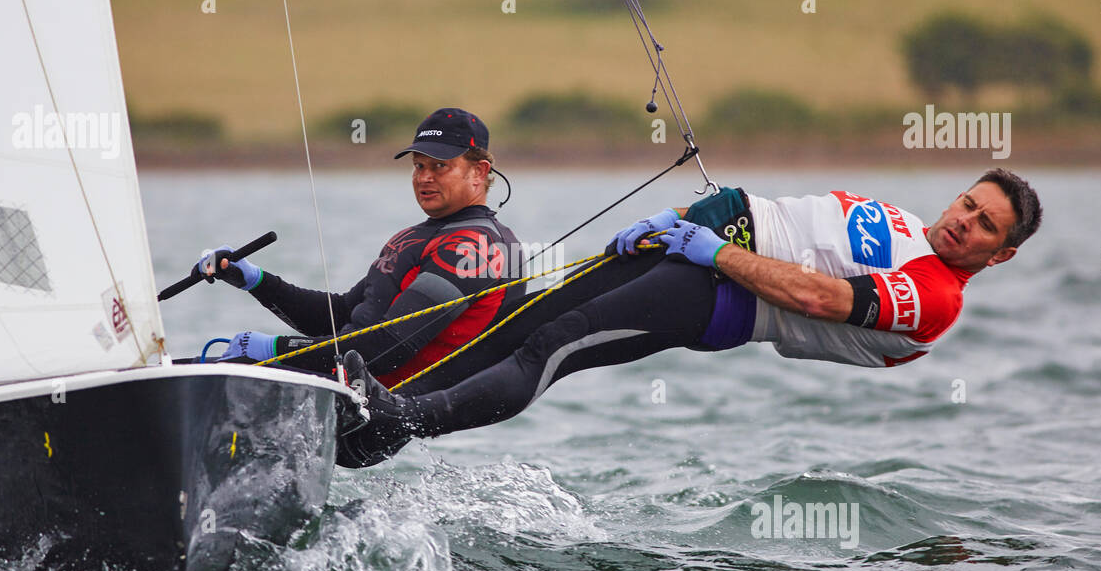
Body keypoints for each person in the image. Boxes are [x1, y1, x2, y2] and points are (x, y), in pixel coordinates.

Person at [337, 168, 1043, 466]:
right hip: (698, 247)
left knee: (552, 344)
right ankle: (372, 411)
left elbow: (819, 298)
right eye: (968, 204)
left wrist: (712, 251)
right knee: (520, 315)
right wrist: (677, 219)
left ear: (1002, 254)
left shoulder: (938, 296)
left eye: (985, 226)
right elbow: (783, 219)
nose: (965, 221)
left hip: (717, 297)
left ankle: (403, 421)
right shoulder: (909, 229)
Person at [198, 108, 523, 386]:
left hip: (384, 406)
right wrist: (256, 281)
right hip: (348, 383)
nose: (424, 177)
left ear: (478, 172)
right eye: (418, 165)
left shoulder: (475, 247)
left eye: (440, 166)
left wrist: (275, 349)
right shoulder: (415, 238)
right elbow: (341, 317)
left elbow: (388, 347)